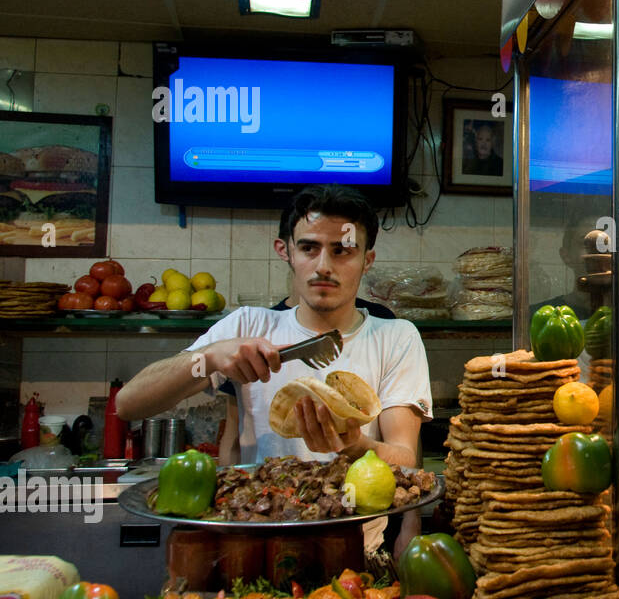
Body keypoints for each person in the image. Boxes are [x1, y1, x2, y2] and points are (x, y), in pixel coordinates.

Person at [116, 184, 433, 549]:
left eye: (342, 250)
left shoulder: (395, 336)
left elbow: (405, 460)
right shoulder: (248, 326)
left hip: (352, 548)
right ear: (285, 251)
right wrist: (213, 356)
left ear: (367, 260)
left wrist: (357, 444)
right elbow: (129, 404)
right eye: (309, 248)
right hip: (253, 542)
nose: (324, 266)